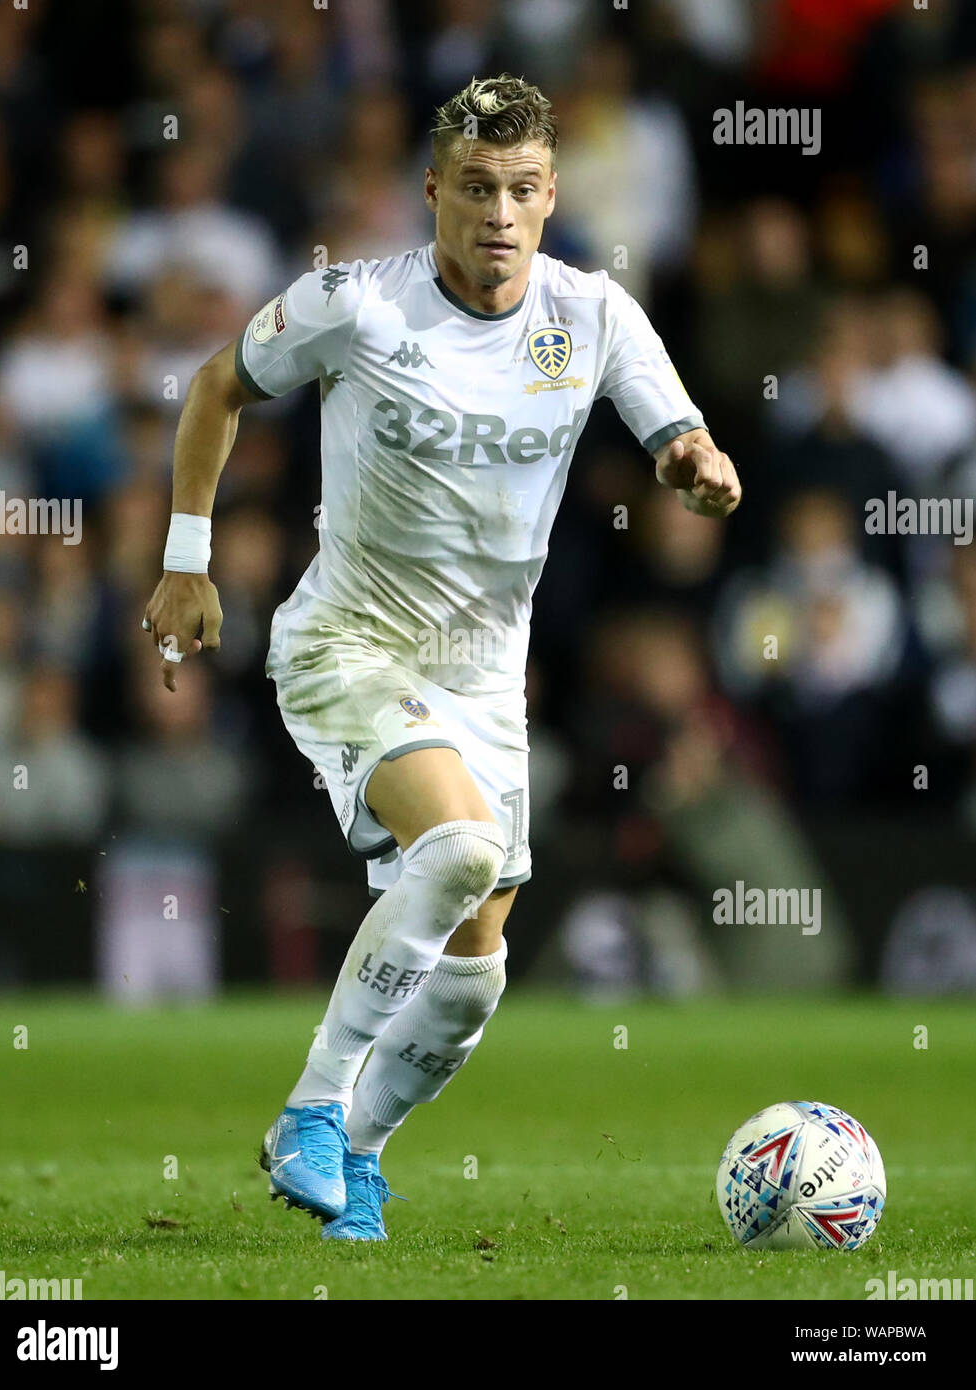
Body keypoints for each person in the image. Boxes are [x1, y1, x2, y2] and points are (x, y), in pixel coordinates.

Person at [142, 74, 741, 1241]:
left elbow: (682, 433)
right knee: (460, 845)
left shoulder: (597, 316)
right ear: (432, 194)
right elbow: (220, 383)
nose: (499, 214)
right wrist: (185, 557)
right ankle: (312, 1110)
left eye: (521, 190)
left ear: (553, 194)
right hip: (346, 644)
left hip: (482, 678)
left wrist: (693, 469)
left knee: (475, 973)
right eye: (475, 188)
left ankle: (357, 1151)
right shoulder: (355, 305)